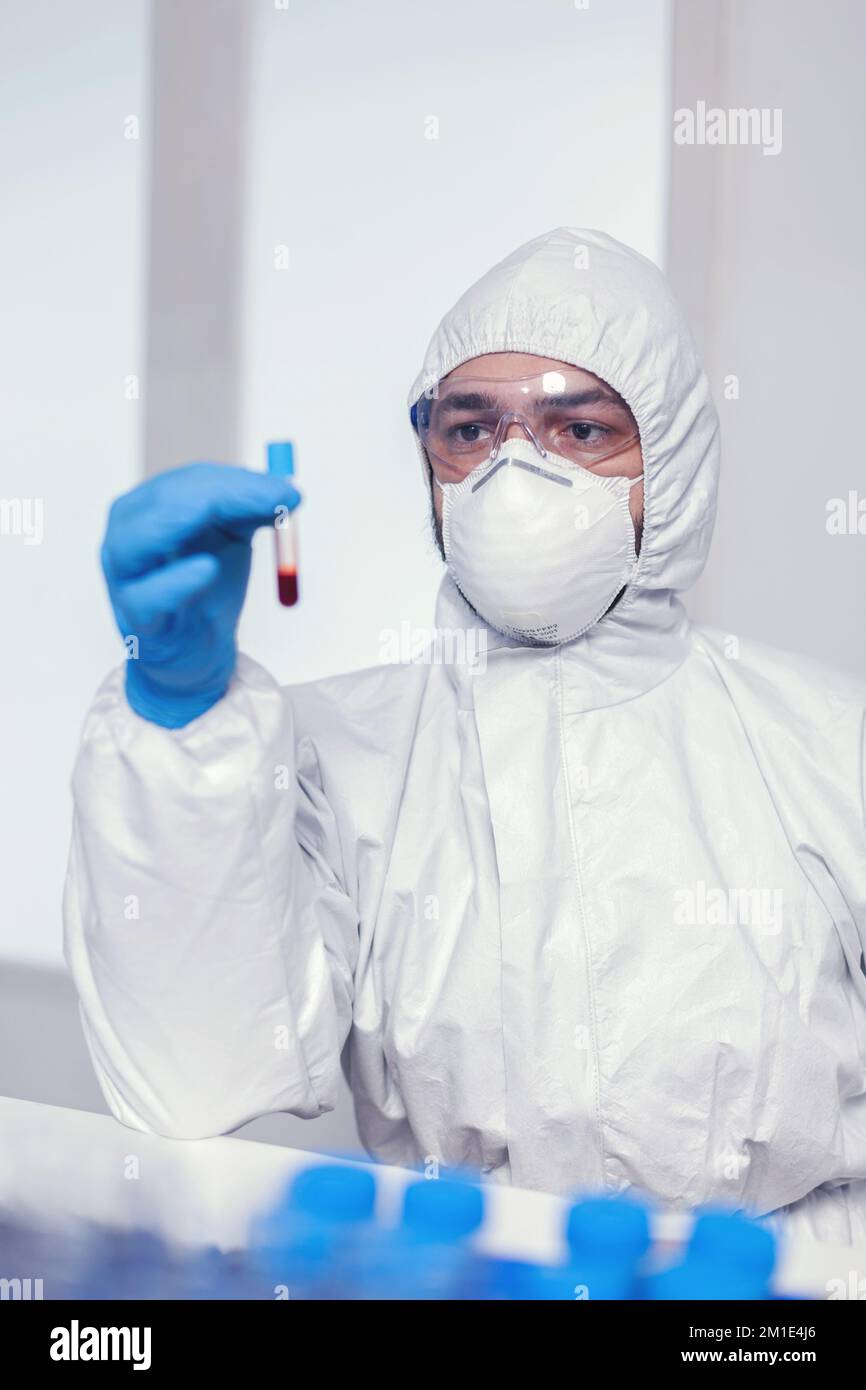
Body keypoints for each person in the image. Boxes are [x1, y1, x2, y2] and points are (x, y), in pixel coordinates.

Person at [64, 228, 866, 1244]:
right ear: (429, 461)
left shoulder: (827, 746)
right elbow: (192, 1078)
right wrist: (182, 729)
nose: (511, 474)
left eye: (578, 432)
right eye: (470, 431)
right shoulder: (336, 752)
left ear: (669, 463)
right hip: (460, 1279)